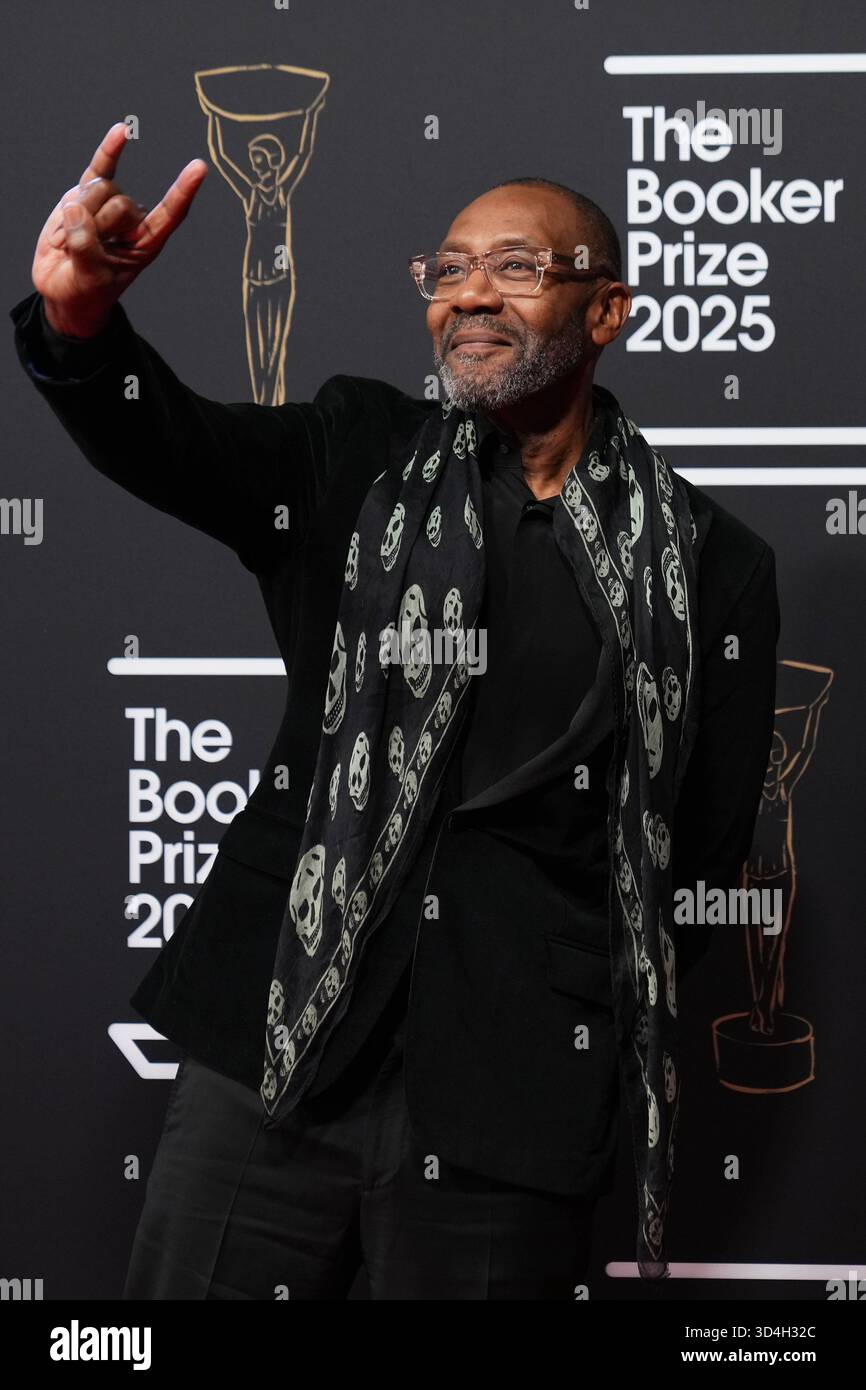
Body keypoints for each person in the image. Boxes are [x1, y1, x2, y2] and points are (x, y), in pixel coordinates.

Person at [11, 122, 780, 1299]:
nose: (468, 294)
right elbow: (173, 444)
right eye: (449, 268)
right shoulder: (356, 451)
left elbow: (701, 850)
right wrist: (80, 327)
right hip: (276, 1055)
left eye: (515, 267)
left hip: (513, 1102)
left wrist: (566, 998)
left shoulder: (711, 565)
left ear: (605, 312)